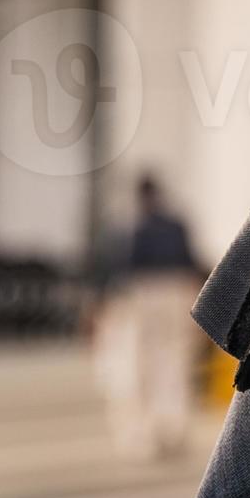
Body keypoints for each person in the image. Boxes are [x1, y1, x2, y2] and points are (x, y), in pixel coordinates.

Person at [95, 171, 203, 462]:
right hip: (176, 293)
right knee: (173, 364)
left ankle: (141, 434)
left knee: (137, 366)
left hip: (139, 296)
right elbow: (192, 262)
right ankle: (172, 427)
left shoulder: (128, 226)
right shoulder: (176, 224)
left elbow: (114, 271)